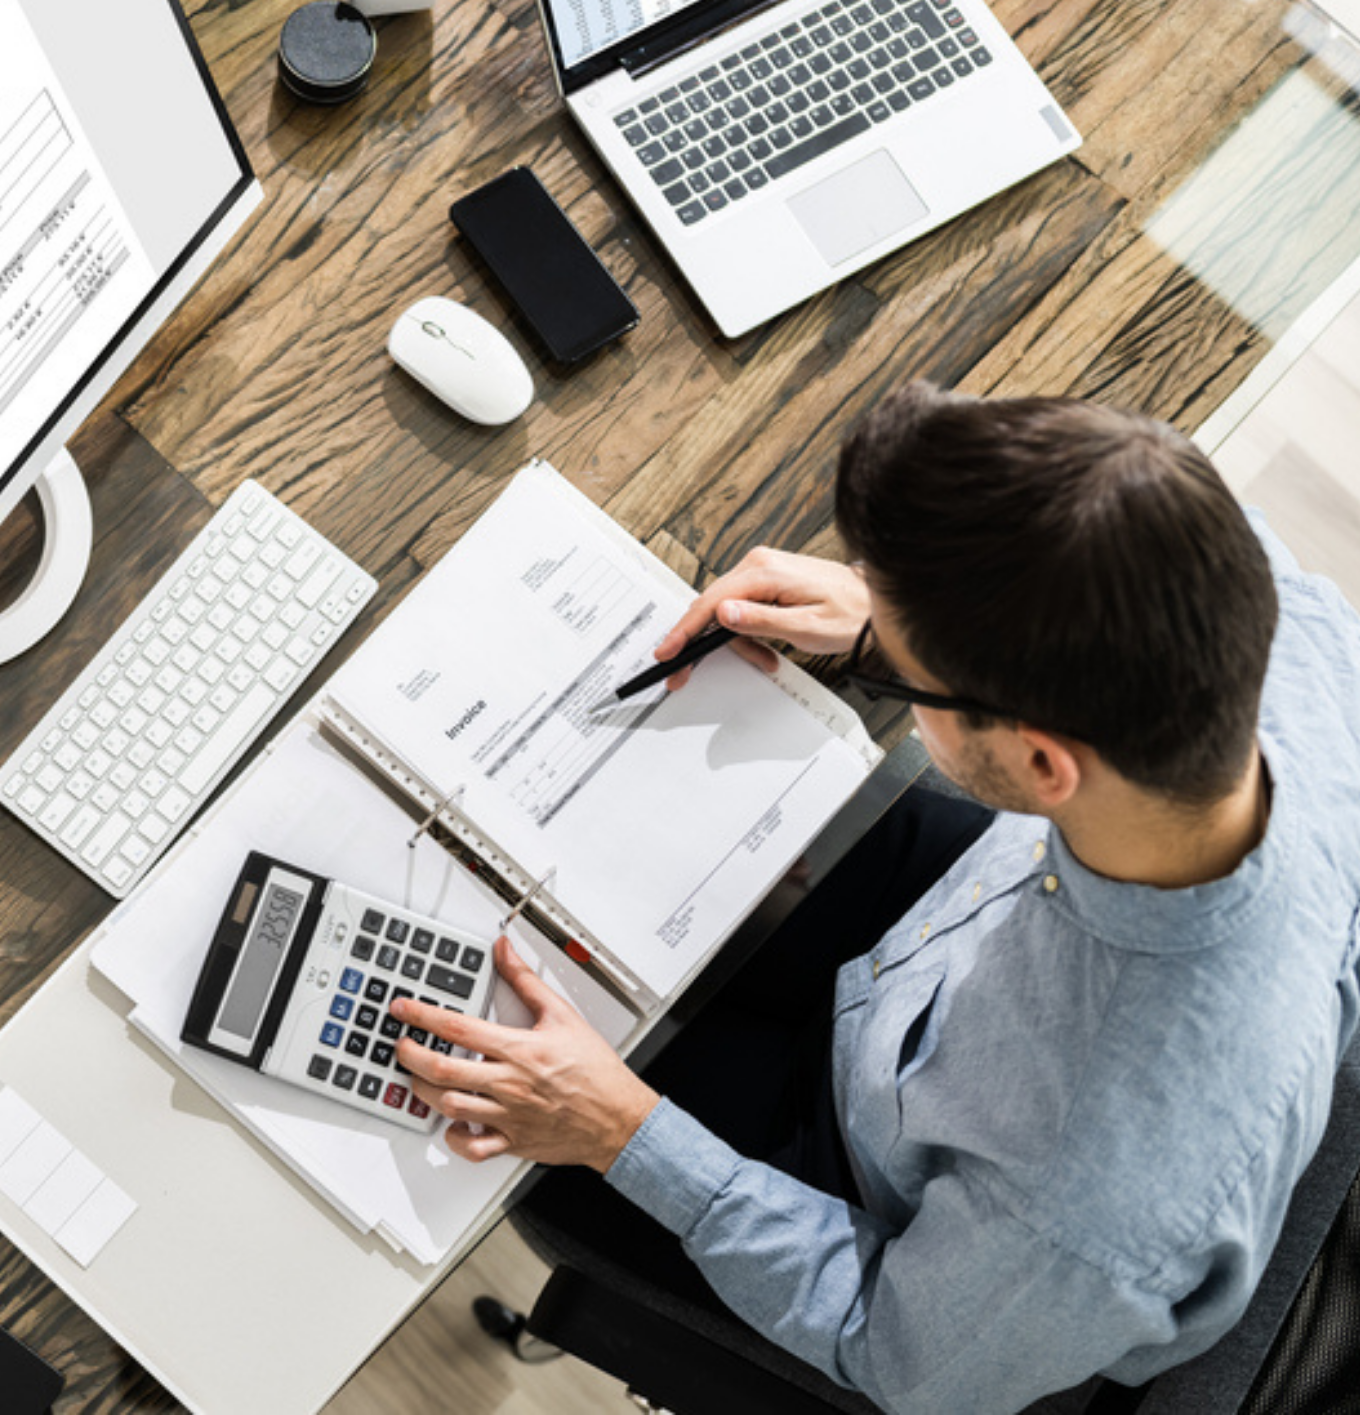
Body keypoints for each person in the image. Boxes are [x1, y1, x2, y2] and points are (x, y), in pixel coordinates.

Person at [390, 382, 1360, 1413]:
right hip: (958, 932)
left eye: (914, 675)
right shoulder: (1290, 628)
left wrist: (620, 1132)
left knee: (516, 1080)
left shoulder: (1086, 1194)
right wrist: (897, 619)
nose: (888, 655)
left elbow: (891, 1350)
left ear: (1042, 759)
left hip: (877, 1202)